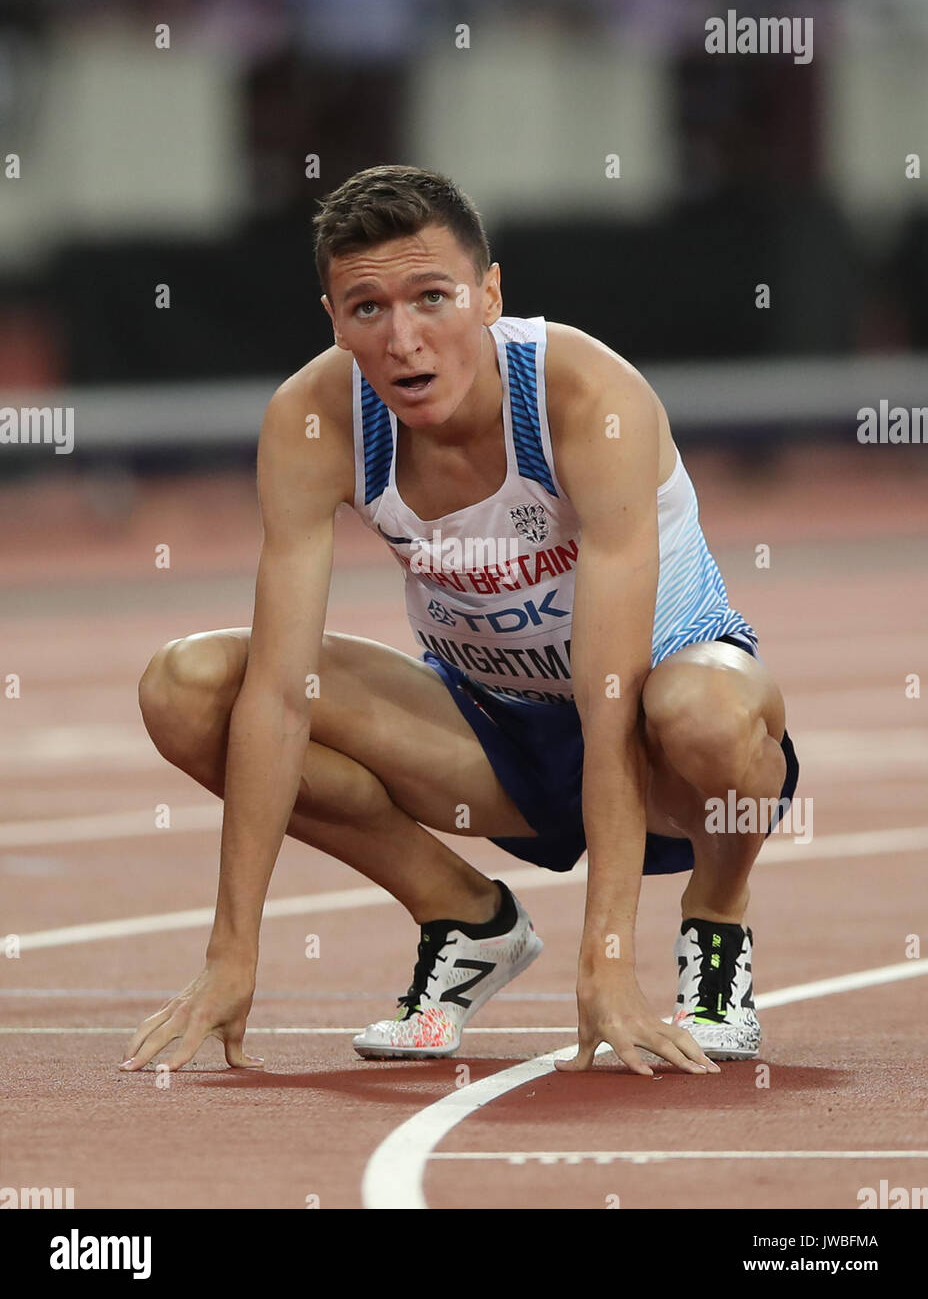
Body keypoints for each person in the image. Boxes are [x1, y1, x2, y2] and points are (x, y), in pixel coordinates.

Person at [122, 165, 799, 1079]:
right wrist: (231, 954)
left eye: (432, 297)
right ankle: (464, 917)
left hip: (660, 732)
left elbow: (611, 699)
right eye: (367, 309)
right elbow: (282, 697)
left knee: (702, 710)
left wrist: (607, 962)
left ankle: (717, 924)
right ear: (332, 317)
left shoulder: (588, 401)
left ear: (489, 295)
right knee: (188, 687)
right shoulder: (313, 420)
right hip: (489, 735)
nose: (403, 341)